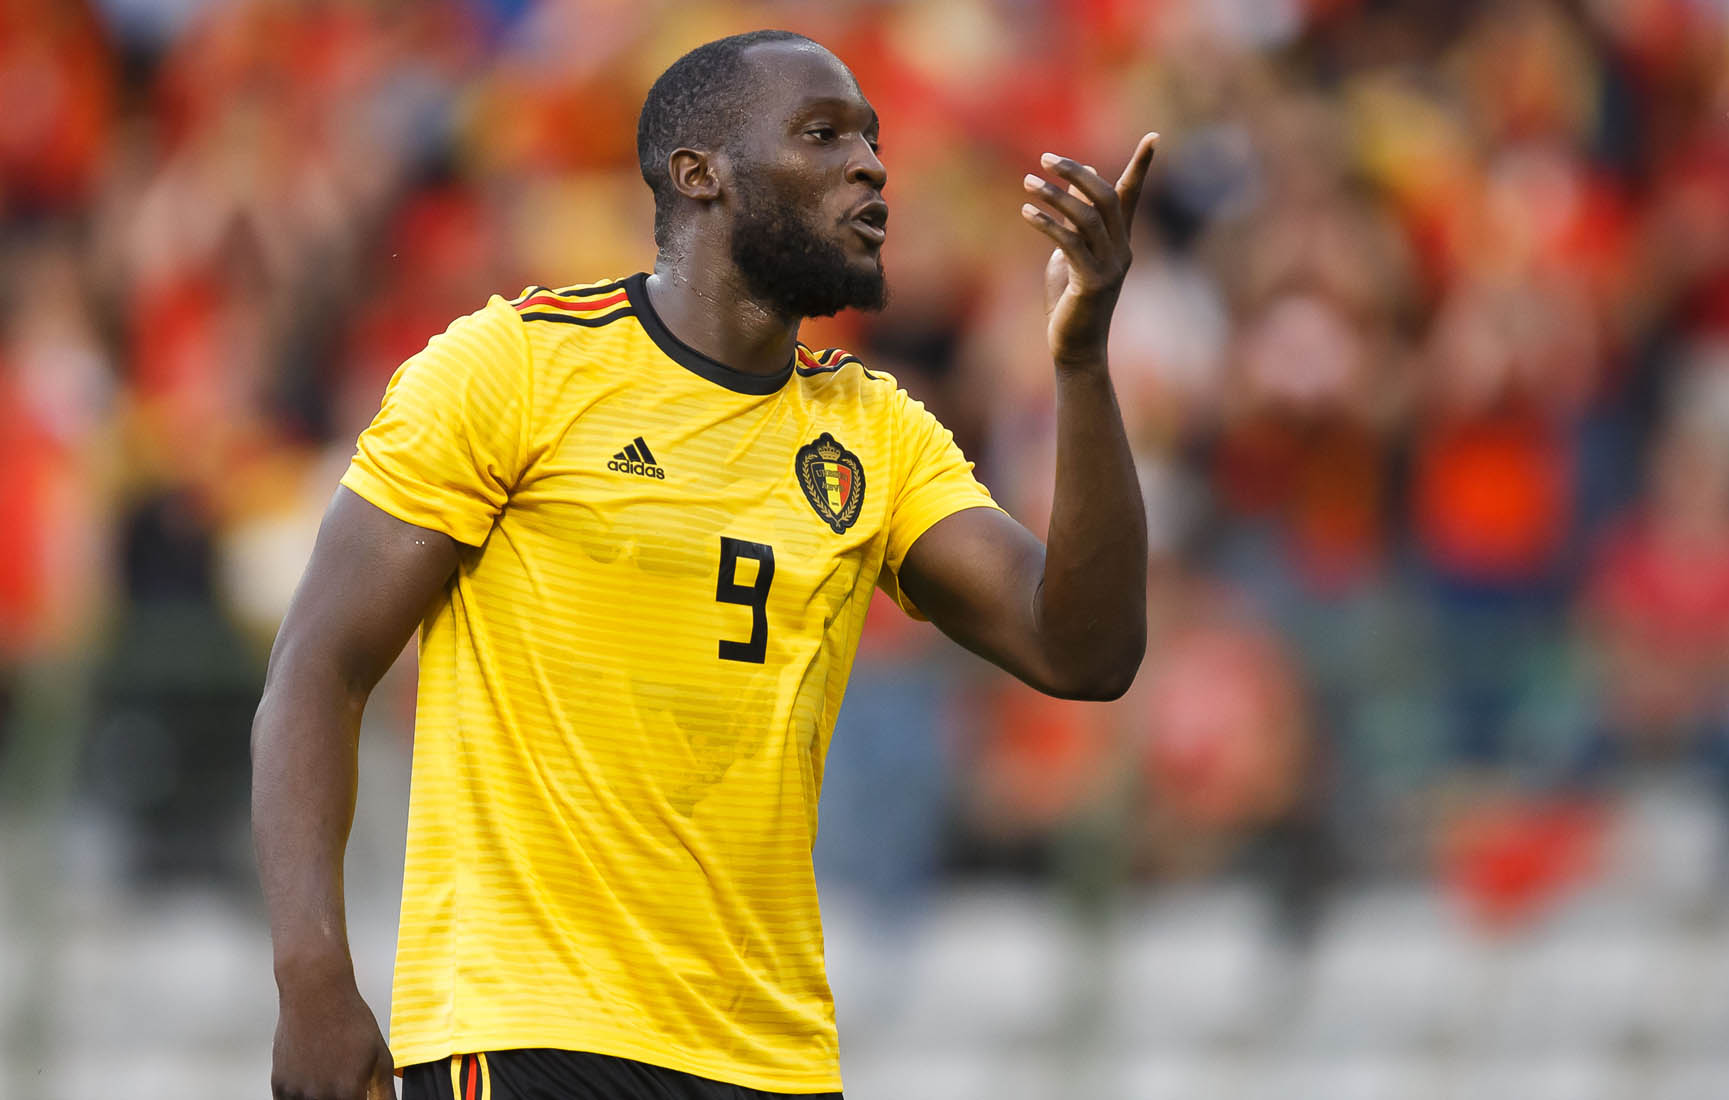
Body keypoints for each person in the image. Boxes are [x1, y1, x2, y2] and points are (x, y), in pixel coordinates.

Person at [251, 29, 1154, 1100]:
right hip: (529, 1031)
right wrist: (312, 976)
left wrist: (1081, 361)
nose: (871, 166)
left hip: (769, 1059)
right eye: (823, 135)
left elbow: (1083, 650)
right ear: (699, 173)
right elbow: (318, 666)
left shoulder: (877, 432)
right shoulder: (515, 370)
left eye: (872, 139)